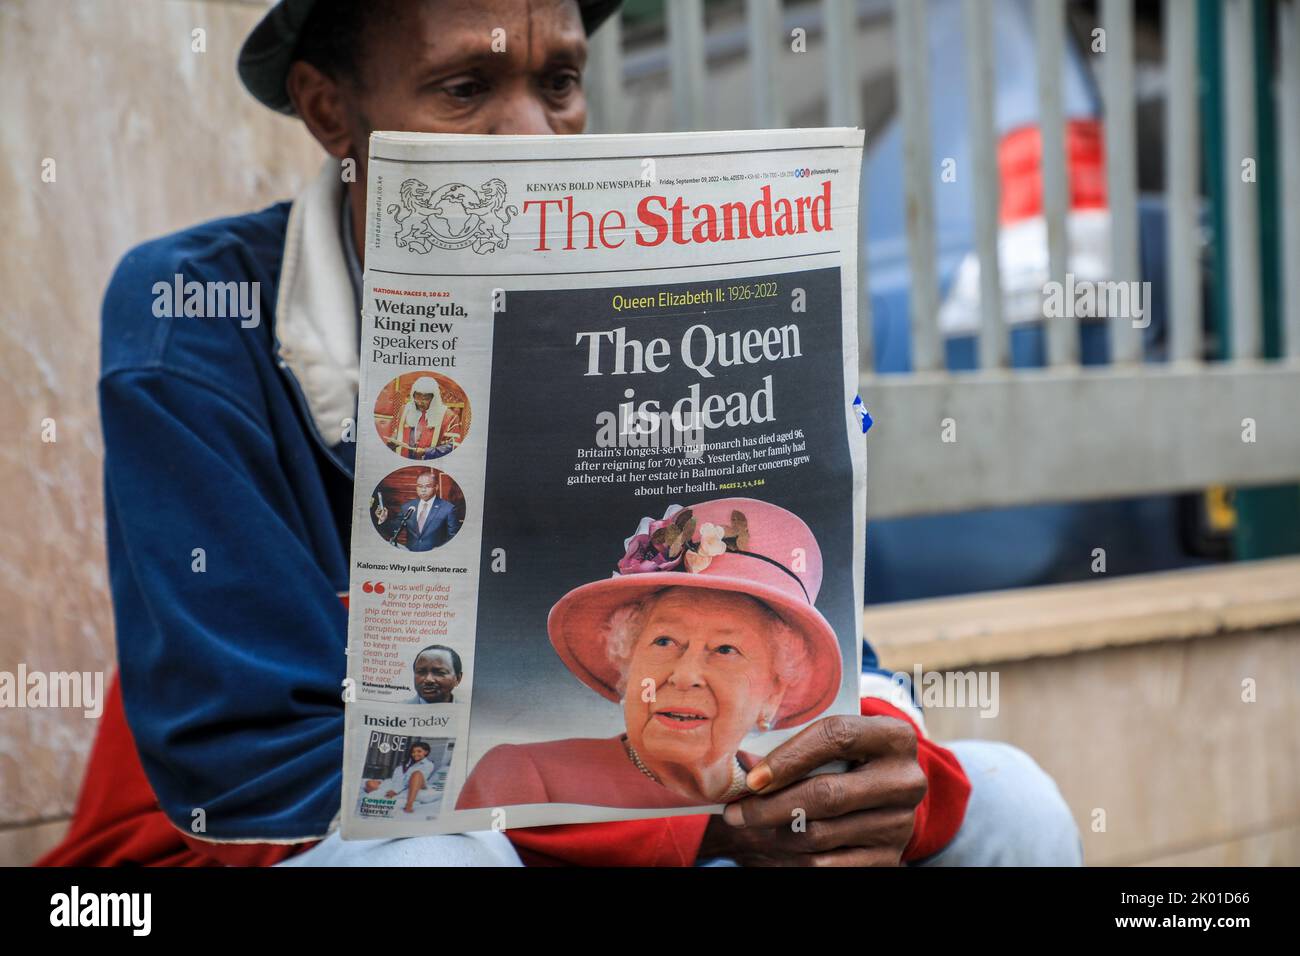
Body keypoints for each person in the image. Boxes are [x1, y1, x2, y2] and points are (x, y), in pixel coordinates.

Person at [39, 0, 1081, 868]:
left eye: (559, 84)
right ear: (328, 111)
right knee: (441, 861)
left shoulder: (651, 297)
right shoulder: (196, 311)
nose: (531, 139)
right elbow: (254, 768)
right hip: (280, 841)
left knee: (1010, 802)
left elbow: (818, 645)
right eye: (463, 91)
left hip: (629, 817)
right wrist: (696, 812)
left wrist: (871, 760)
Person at [459, 499, 844, 811]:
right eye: (664, 641)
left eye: (726, 649)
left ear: (774, 692)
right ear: (627, 664)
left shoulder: (798, 799)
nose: (684, 675)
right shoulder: (526, 774)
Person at [375, 470, 460, 551]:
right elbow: (393, 530)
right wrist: (383, 519)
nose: (423, 490)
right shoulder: (407, 507)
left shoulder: (448, 509)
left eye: (428, 486)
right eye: (420, 486)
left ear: (436, 487)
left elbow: (453, 538)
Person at [386, 375, 461, 459]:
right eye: (417, 397)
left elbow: (454, 446)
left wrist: (427, 452)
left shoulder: (449, 416)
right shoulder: (405, 410)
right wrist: (393, 440)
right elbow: (398, 433)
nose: (420, 402)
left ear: (434, 398)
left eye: (425, 399)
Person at [365, 741, 436, 814]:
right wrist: (385, 784)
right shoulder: (406, 763)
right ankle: (380, 792)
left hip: (420, 784)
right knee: (369, 783)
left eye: (419, 751)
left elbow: (409, 781)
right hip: (400, 784)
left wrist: (396, 791)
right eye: (413, 752)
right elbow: (397, 779)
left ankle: (409, 805)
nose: (415, 754)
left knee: (416, 774)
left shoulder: (428, 764)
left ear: (426, 752)